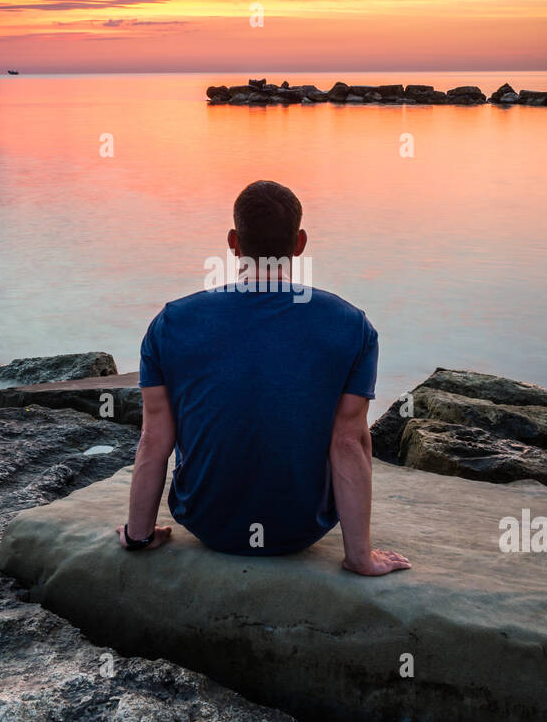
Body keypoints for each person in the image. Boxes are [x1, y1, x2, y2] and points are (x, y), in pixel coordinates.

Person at [117, 180, 411, 576]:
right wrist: (362, 558)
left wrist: (138, 535)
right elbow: (347, 443)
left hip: (208, 522)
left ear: (233, 242)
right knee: (354, 430)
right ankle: (356, 552)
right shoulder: (351, 326)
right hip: (301, 528)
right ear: (300, 243)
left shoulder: (172, 323)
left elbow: (155, 439)